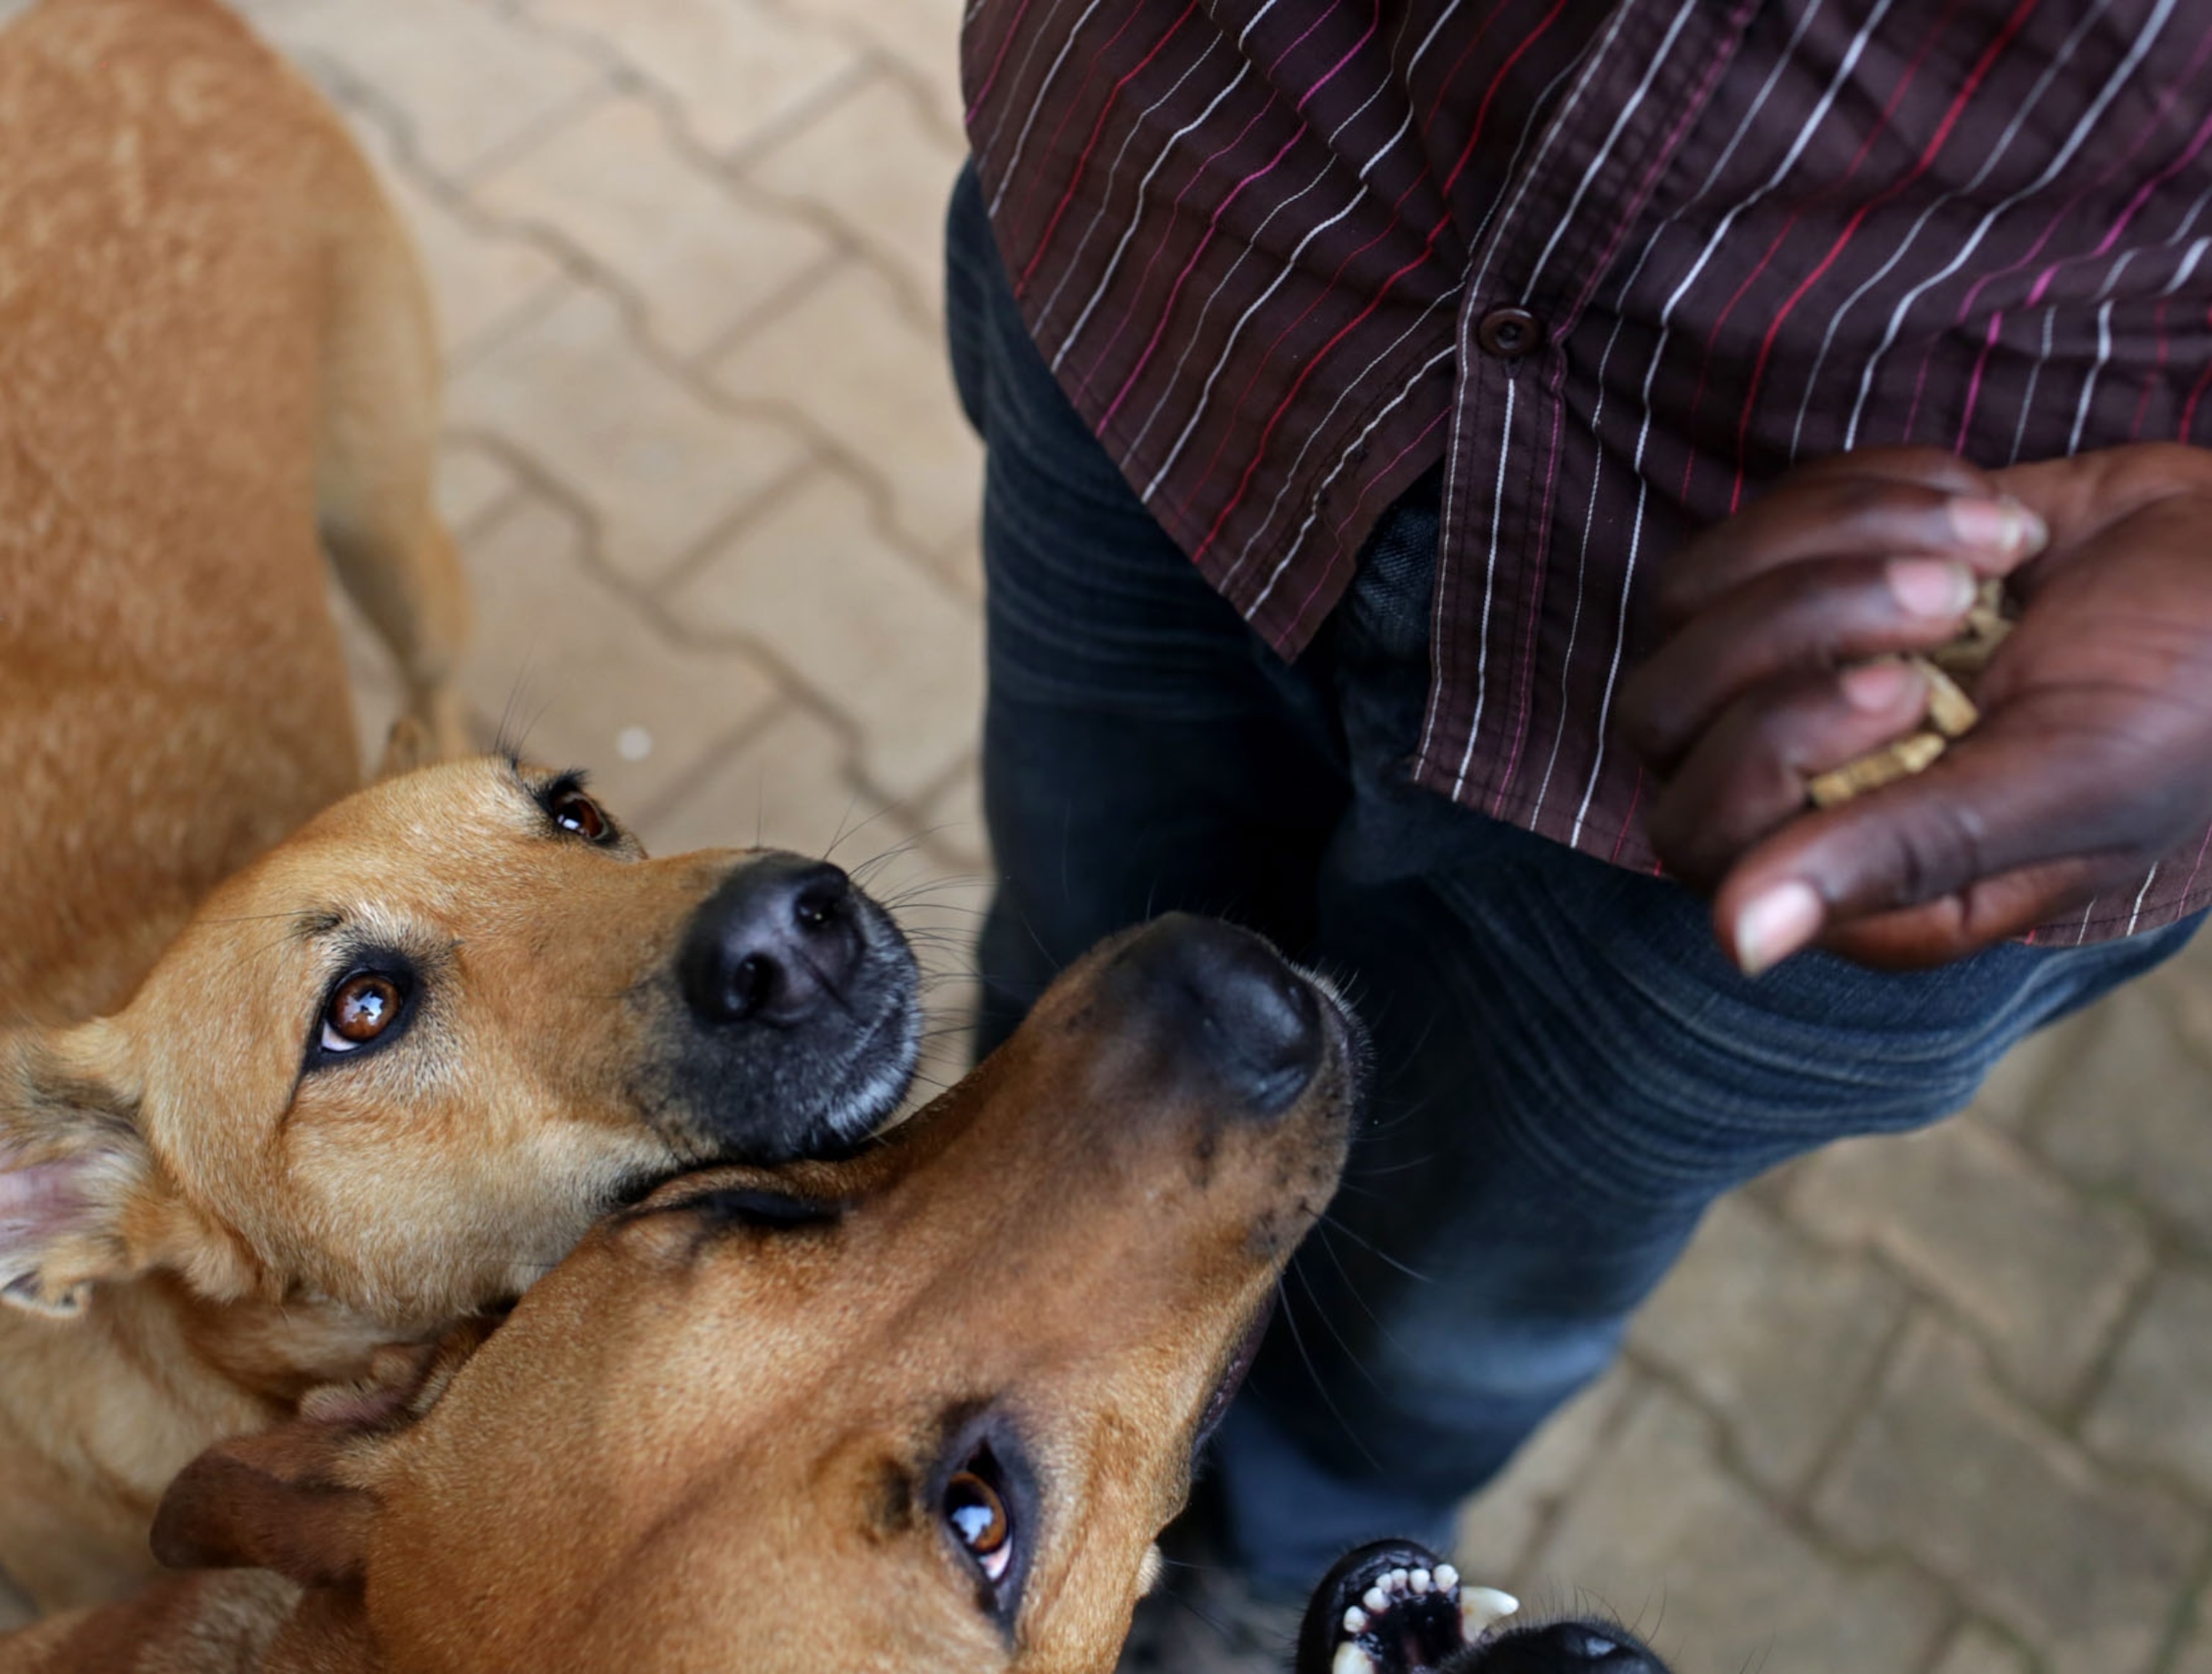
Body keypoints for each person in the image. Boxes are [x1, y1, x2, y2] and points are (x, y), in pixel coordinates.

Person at [944, 0, 2212, 1664]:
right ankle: (966, 1458)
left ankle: (1272, 1564)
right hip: (1207, 225)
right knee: (1073, 1029)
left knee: (1432, 1321)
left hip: (1898, 698)